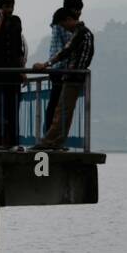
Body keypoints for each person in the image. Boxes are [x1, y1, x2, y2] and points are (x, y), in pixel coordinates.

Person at [33, 8, 94, 150]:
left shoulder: (81, 33)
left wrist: (47, 64)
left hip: (73, 77)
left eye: (63, 24)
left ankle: (47, 142)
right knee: (65, 112)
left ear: (68, 19)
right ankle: (57, 142)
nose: (64, 28)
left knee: (61, 112)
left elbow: (66, 51)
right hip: (75, 77)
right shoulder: (84, 33)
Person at [0, 0, 25, 150]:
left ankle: (13, 141)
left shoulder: (16, 21)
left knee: (12, 107)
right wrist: (0, 18)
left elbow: (18, 48)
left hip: (13, 71)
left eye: (12, 6)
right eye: (7, 7)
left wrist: (22, 70)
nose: (10, 10)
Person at [43, 0, 84, 134]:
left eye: (80, 10)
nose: (78, 13)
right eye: (76, 10)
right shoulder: (61, 25)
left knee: (61, 107)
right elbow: (64, 48)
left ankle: (55, 138)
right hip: (59, 70)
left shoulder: (73, 26)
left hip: (65, 70)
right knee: (56, 105)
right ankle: (49, 136)